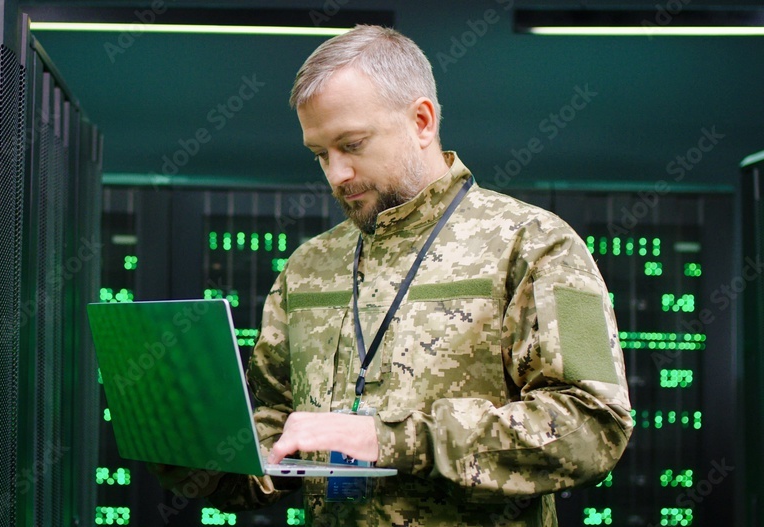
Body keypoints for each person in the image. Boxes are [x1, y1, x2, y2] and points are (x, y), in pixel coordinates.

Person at [155, 24, 633, 526]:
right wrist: (205, 462)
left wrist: (388, 440)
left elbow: (594, 425)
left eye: (352, 145)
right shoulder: (308, 267)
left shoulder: (540, 244)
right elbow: (276, 432)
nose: (336, 174)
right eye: (321, 155)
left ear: (422, 121)